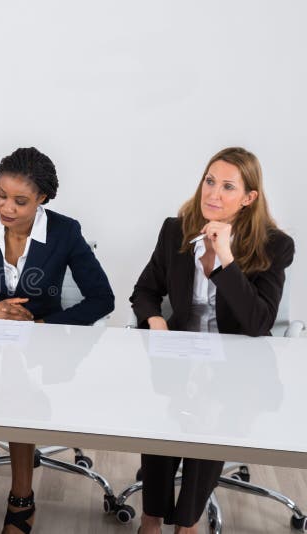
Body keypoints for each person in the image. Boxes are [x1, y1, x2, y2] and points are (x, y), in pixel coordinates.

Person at [0, 147, 114, 533]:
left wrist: (41, 322)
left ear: (42, 200)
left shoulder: (64, 232)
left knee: (19, 397)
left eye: (20, 201)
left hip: (43, 346)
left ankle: (22, 500)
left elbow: (102, 298)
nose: (6, 207)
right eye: (1, 195)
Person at [130, 147, 294, 534]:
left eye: (227, 186)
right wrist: (155, 320)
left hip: (238, 360)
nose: (213, 194)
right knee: (162, 413)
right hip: (180, 349)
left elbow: (258, 321)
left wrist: (224, 259)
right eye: (209, 181)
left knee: (212, 414)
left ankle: (187, 522)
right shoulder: (177, 229)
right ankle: (152, 517)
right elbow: (144, 290)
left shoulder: (273, 245)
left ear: (249, 198)